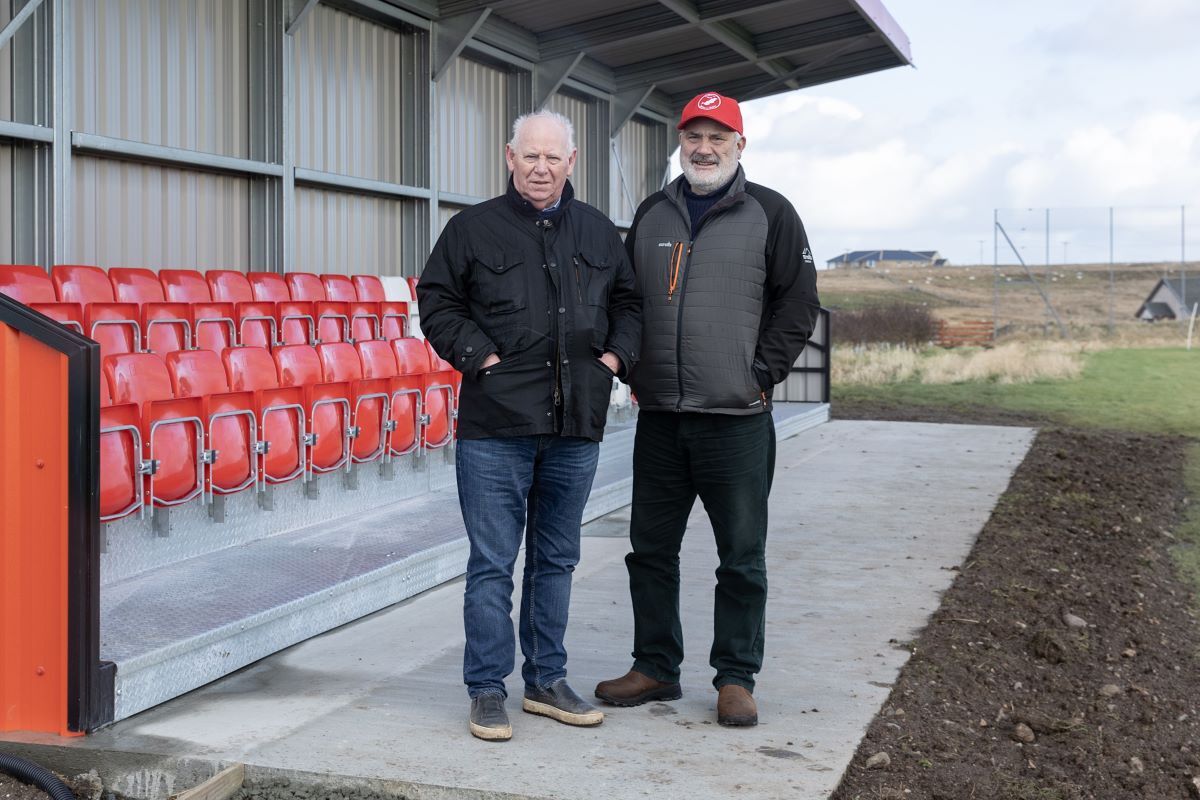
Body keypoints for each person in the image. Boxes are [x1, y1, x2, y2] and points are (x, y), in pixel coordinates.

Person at [594, 91, 819, 727]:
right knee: (649, 550)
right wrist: (632, 369)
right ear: (680, 142)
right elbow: (626, 300)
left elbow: (798, 304)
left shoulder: (771, 213)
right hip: (661, 417)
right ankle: (655, 666)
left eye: (718, 137)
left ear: (740, 145)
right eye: (694, 135)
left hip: (736, 421)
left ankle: (735, 677)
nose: (704, 148)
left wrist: (759, 375)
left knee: (741, 556)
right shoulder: (652, 213)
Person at [418, 110, 641, 742]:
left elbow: (630, 304)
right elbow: (437, 301)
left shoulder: (597, 231)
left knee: (556, 559)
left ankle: (546, 681)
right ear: (509, 157)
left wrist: (613, 361)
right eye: (530, 156)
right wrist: (482, 359)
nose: (541, 168)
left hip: (575, 424)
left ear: (573, 162)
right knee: (493, 563)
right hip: (496, 426)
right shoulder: (471, 229)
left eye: (553, 157)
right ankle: (487, 689)